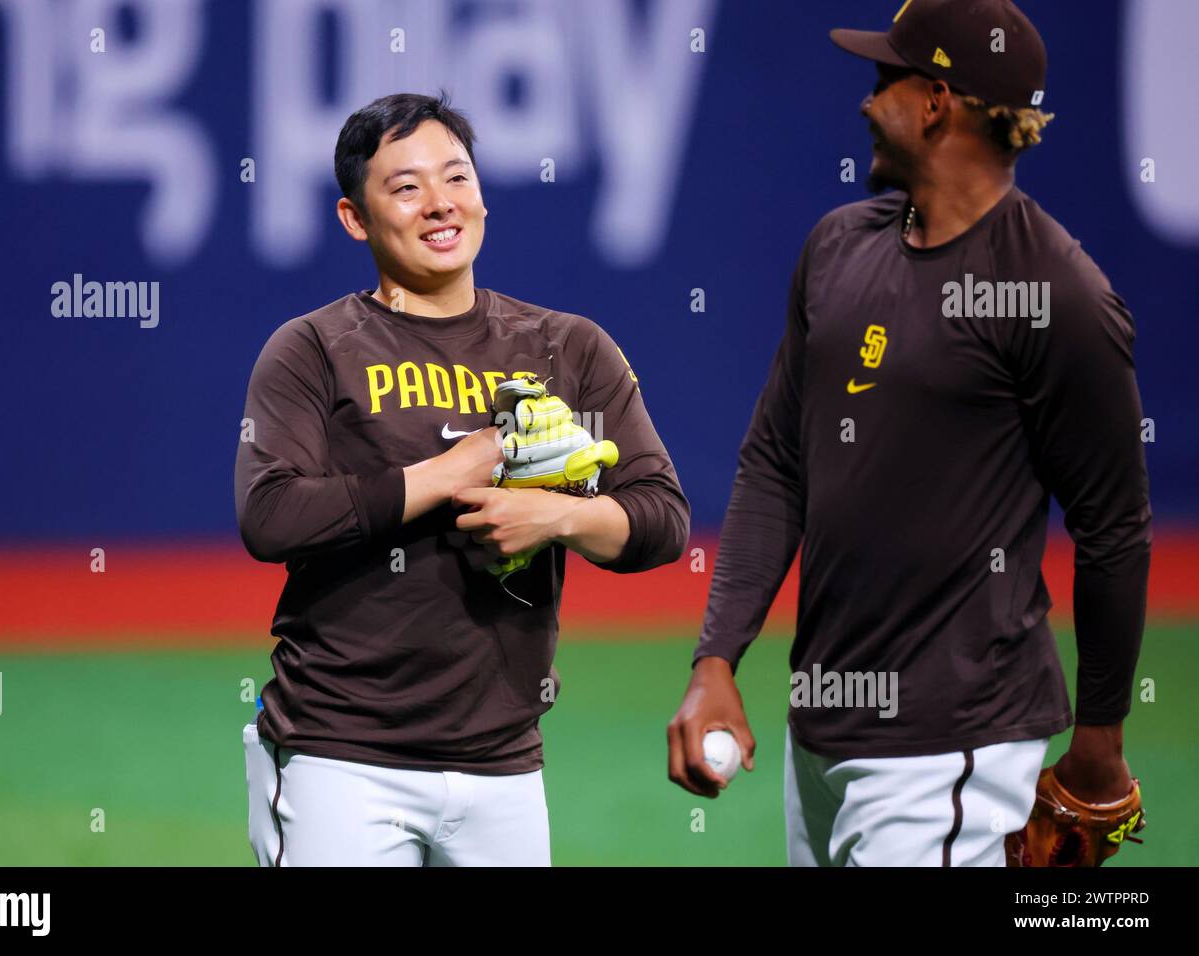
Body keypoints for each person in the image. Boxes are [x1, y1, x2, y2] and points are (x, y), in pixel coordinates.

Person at [666, 0, 1150, 866]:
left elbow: (1113, 530)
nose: (864, 101)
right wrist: (717, 659)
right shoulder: (839, 247)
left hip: (950, 751)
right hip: (820, 733)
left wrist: (1101, 746)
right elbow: (777, 463)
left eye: (885, 78)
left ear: (936, 103)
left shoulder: (1057, 294)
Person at [236, 92, 689, 866]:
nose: (440, 204)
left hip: (503, 762)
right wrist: (449, 473)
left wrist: (555, 521)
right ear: (355, 218)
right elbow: (270, 516)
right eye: (406, 187)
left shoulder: (567, 347)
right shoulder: (312, 348)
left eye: (457, 177)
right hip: (342, 758)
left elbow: (661, 518)